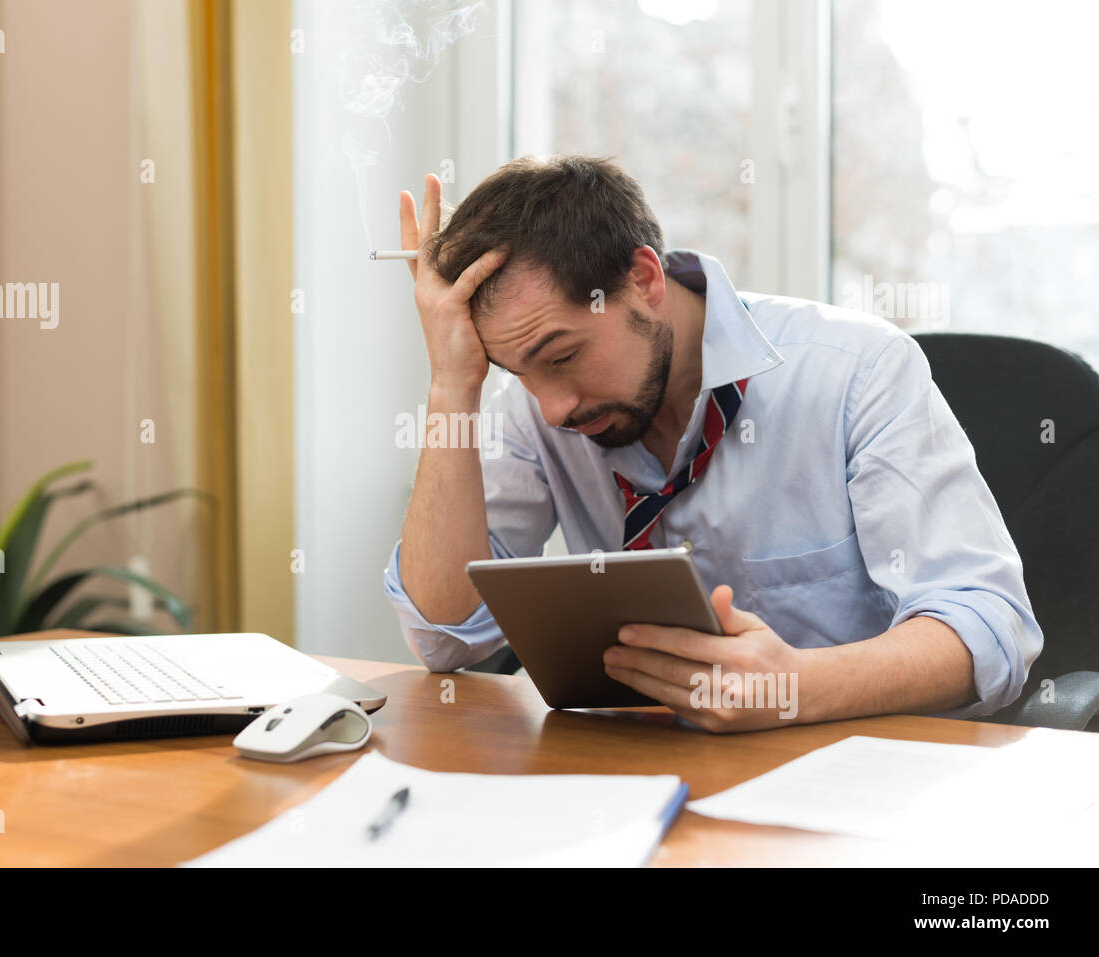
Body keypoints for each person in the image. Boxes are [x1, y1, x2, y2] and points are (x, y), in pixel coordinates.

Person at [383, 155, 1042, 732]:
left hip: (846, 783)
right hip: (635, 779)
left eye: (562, 355)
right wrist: (451, 385)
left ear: (644, 279)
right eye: (515, 371)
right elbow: (445, 637)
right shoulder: (537, 408)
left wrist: (794, 686)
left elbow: (989, 624)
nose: (552, 408)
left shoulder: (856, 371)